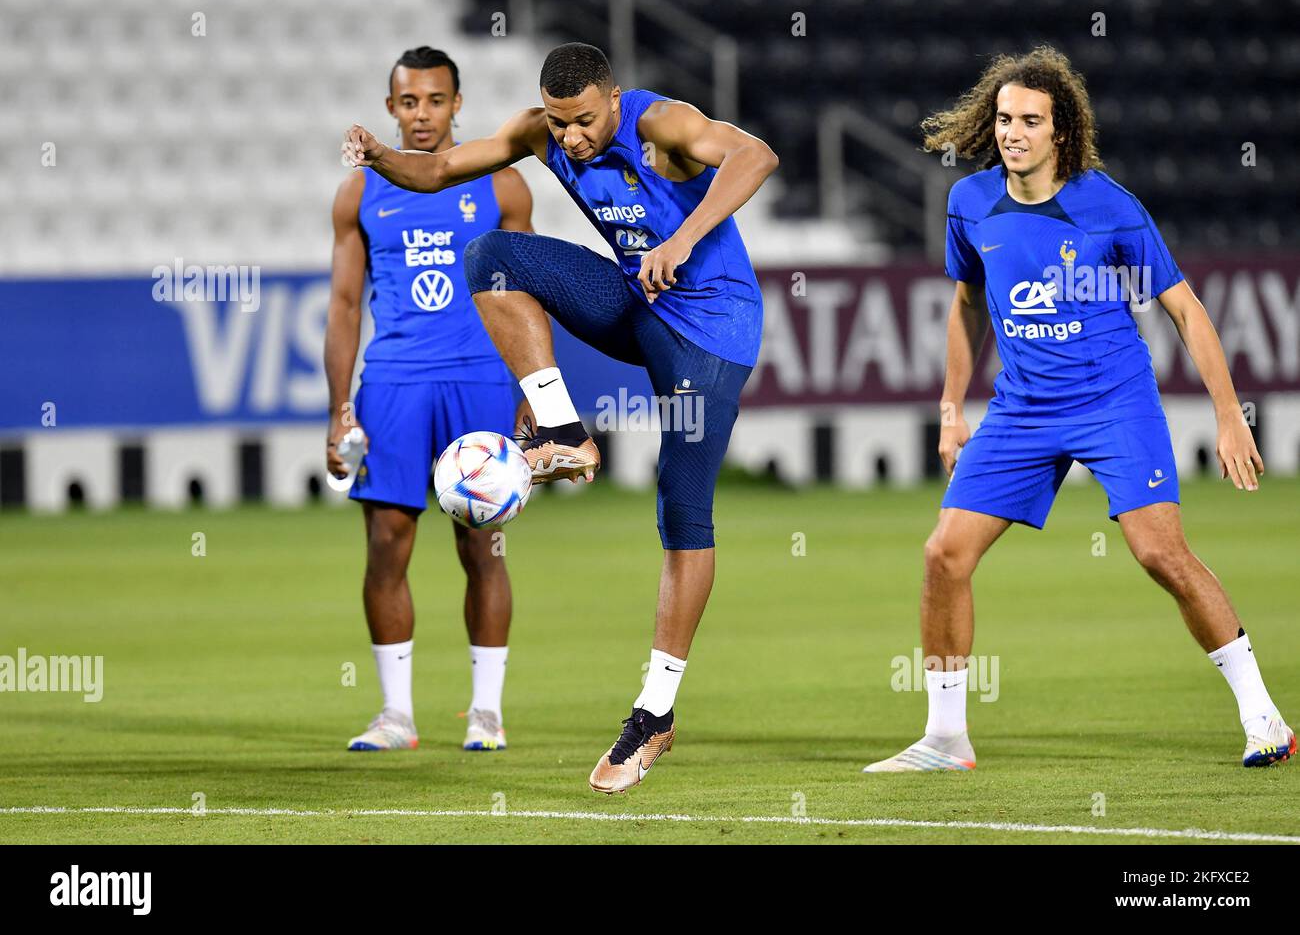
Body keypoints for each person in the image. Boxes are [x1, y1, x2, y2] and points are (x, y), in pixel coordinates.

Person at [342, 42, 778, 793]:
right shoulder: (542, 132)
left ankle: (656, 711)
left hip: (711, 330)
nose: (569, 138)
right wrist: (381, 157)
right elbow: (442, 169)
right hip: (639, 301)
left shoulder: (663, 124)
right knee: (491, 257)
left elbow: (756, 155)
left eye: (582, 121)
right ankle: (563, 429)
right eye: (557, 122)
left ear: (614, 98)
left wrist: (682, 238)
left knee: (682, 510)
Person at [864, 46, 1291, 772]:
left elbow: (1185, 311)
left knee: (1160, 552)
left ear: (1061, 131)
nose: (1012, 132)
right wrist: (950, 405)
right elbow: (967, 305)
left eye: (1029, 120)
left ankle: (1265, 719)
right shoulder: (970, 203)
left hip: (1112, 402)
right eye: (1003, 119)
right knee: (944, 554)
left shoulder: (1110, 207)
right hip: (1022, 409)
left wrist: (1228, 415)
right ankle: (946, 738)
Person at [325, 47, 533, 754]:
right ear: (391, 109)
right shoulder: (359, 192)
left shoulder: (501, 187)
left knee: (483, 544)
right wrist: (338, 409)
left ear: (457, 104)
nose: (422, 115)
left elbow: (527, 294)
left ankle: (486, 713)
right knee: (386, 543)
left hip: (478, 375)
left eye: (435, 101)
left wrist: (538, 389)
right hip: (393, 381)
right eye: (408, 102)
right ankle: (396, 716)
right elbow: (346, 305)